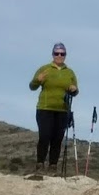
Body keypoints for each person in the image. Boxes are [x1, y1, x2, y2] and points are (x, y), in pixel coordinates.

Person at [28, 43, 78, 179]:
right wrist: (38, 80)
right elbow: (32, 86)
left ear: (65, 55)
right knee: (44, 136)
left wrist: (74, 89)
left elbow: (75, 90)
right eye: (57, 53)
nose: (59, 56)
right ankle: (39, 164)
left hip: (62, 110)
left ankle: (53, 166)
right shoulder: (44, 69)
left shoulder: (70, 72)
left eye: (62, 54)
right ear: (53, 54)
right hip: (45, 108)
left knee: (57, 138)